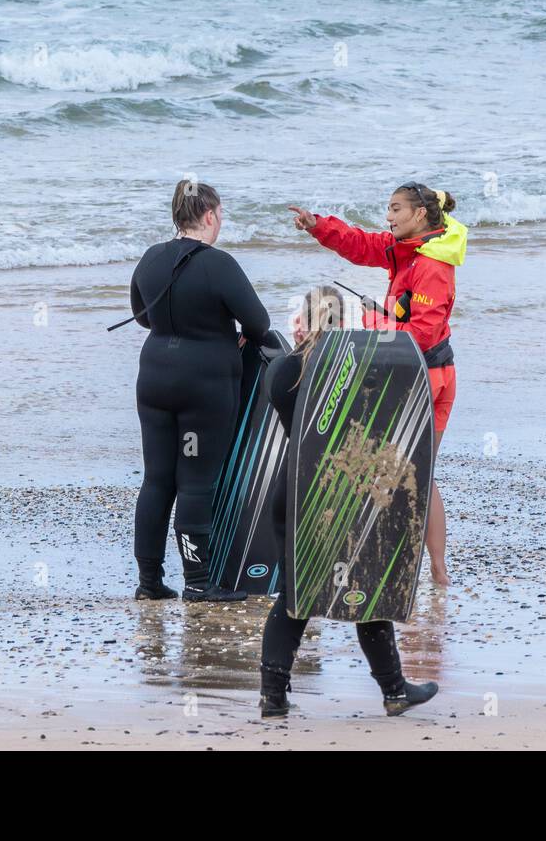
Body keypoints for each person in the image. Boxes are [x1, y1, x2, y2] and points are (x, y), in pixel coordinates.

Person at [258, 286, 439, 717]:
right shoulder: (366, 371)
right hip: (346, 492)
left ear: (301, 320)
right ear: (349, 324)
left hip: (297, 490)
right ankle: (394, 691)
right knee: (367, 586)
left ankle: (272, 696)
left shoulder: (282, 372)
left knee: (293, 594)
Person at [287, 182, 465, 586]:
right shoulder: (411, 249)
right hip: (429, 372)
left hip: (427, 378)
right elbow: (362, 244)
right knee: (422, 473)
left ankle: (422, 568)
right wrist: (318, 226)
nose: (389, 217)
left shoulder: (433, 265)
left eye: (396, 209)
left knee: (411, 473)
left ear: (420, 214)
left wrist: (371, 320)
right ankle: (435, 573)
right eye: (388, 208)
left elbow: (419, 336)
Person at [128, 179, 274, 603]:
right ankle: (198, 581)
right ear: (210, 216)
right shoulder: (220, 264)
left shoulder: (150, 258)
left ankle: (150, 582)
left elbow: (141, 315)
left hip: (154, 375)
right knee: (195, 483)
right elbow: (259, 323)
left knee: (156, 480)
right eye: (221, 215)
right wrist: (233, 333)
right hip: (203, 384)